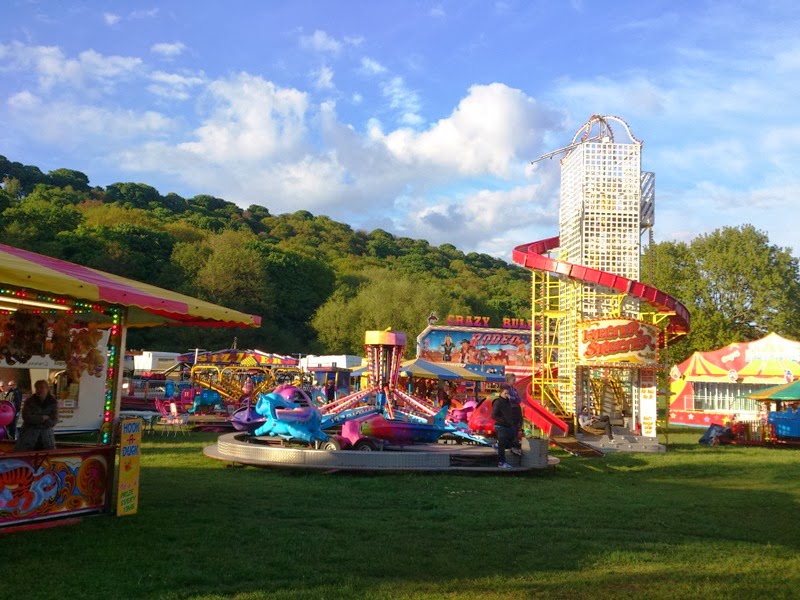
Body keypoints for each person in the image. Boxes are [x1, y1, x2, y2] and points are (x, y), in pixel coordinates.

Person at [14, 379, 59, 451]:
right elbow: (26, 417)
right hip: (29, 436)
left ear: (47, 389)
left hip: (46, 437)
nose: (39, 390)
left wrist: (39, 419)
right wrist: (42, 418)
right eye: (37, 388)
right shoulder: (30, 401)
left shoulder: (53, 402)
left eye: (41, 387)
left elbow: (54, 420)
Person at [491, 384, 516, 468]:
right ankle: (501, 462)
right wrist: (503, 420)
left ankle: (497, 445)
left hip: (508, 425)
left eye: (508, 393)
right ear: (501, 393)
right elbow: (493, 415)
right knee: (502, 442)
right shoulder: (497, 402)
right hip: (500, 426)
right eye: (505, 393)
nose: (507, 395)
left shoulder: (508, 402)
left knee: (513, 439)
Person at [505, 373, 523, 456]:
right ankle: (510, 444)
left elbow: (518, 399)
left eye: (515, 380)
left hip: (516, 409)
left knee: (517, 426)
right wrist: (514, 399)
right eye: (513, 380)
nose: (515, 382)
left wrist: (515, 399)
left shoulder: (514, 389)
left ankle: (515, 444)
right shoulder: (506, 389)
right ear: (508, 380)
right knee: (511, 427)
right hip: (510, 410)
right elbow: (510, 399)